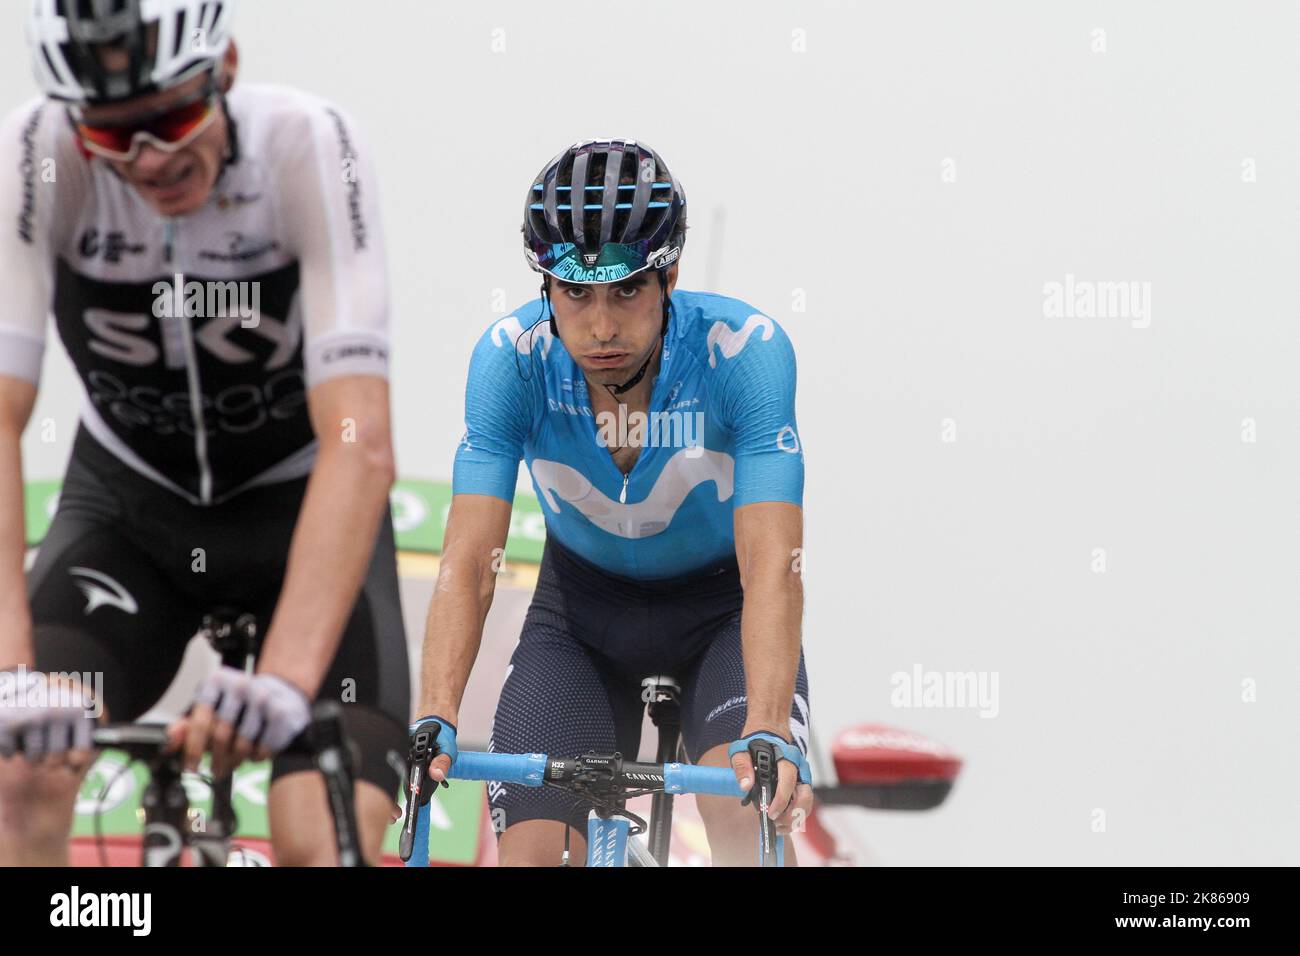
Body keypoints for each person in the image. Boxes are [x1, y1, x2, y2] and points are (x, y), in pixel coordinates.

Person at [0, 0, 408, 866]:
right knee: (20, 782)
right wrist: (10, 672)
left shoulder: (307, 142)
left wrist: (290, 680)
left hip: (298, 512)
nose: (152, 157)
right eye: (113, 136)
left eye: (175, 118)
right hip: (129, 520)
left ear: (225, 67)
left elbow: (360, 437)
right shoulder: (36, 152)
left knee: (323, 839)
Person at [414, 139, 812, 865]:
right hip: (581, 621)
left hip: (722, 614)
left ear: (670, 279)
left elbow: (772, 565)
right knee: (530, 854)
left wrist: (769, 729)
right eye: (576, 293)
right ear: (545, 289)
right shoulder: (509, 363)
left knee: (742, 822)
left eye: (626, 289)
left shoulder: (745, 352)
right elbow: (469, 560)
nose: (601, 327)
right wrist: (435, 713)